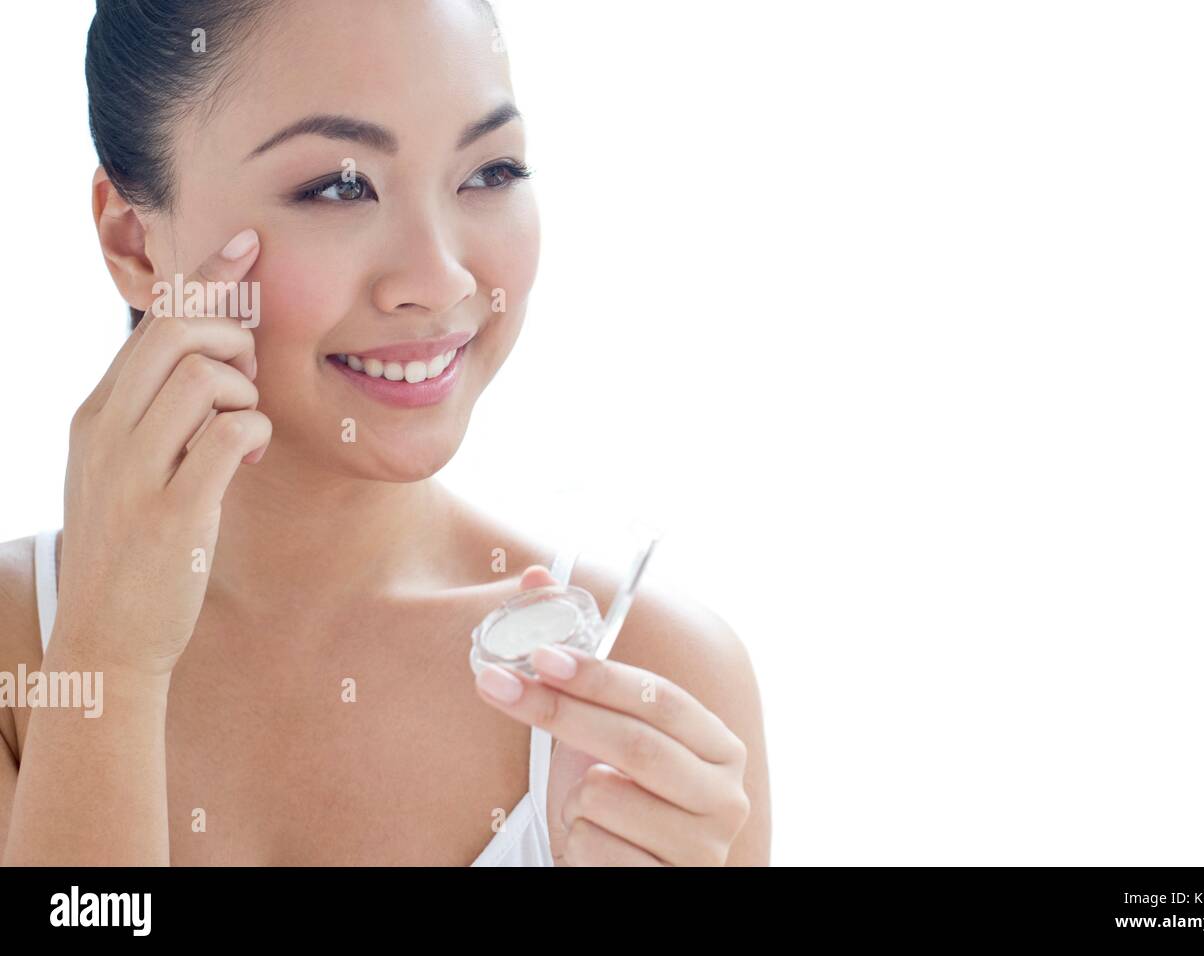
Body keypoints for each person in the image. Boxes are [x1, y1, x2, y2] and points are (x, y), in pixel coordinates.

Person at [0, 0, 768, 866]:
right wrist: (111, 658)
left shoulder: (651, 684)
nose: (437, 280)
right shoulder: (23, 655)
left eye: (490, 172)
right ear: (135, 241)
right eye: (337, 186)